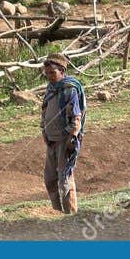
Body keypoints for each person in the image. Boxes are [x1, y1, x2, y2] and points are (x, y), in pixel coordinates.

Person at [40, 52, 85, 215]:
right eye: (47, 73)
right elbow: (44, 110)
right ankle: (56, 212)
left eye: (52, 72)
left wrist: (71, 138)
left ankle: (71, 214)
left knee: (65, 179)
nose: (49, 76)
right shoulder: (51, 89)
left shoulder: (69, 90)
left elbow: (76, 118)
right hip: (51, 140)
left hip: (64, 141)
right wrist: (44, 130)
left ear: (62, 71)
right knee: (49, 179)